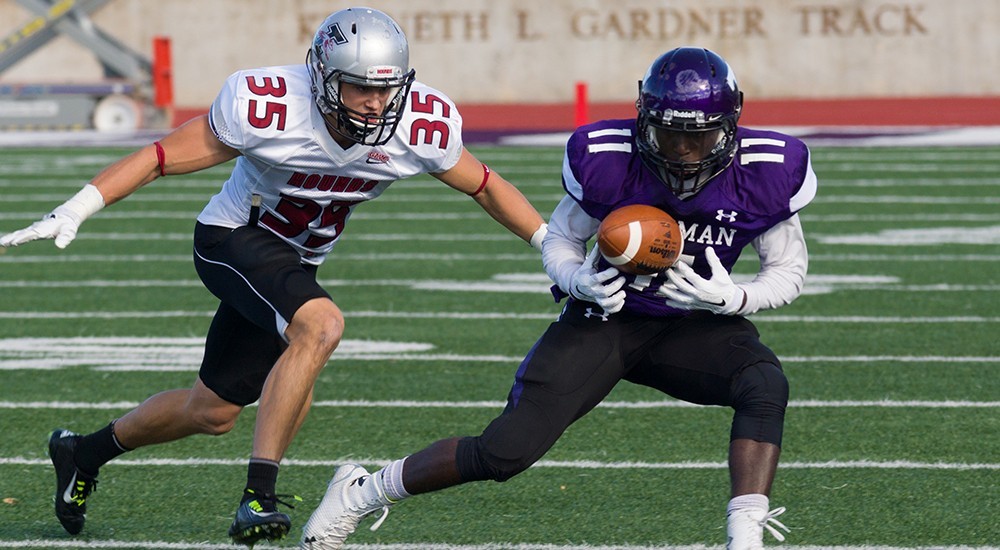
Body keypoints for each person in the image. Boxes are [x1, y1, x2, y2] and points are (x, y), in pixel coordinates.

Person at [0, 7, 547, 547]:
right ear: (321, 75)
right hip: (230, 240)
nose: (376, 102)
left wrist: (548, 246)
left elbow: (485, 184)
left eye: (386, 88)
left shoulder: (417, 126)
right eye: (359, 87)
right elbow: (161, 155)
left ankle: (82, 454)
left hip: (293, 265)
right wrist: (76, 207)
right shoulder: (270, 105)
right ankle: (258, 495)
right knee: (320, 325)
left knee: (212, 411)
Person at [298, 46, 817, 550]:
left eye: (698, 138)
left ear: (730, 126)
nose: (682, 151)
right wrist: (576, 282)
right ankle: (362, 491)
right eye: (668, 135)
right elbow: (562, 240)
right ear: (643, 119)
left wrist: (735, 297)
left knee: (764, 384)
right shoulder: (608, 158)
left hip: (693, 322)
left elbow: (789, 269)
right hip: (604, 319)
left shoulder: (768, 168)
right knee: (504, 452)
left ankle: (745, 537)